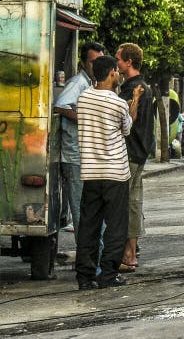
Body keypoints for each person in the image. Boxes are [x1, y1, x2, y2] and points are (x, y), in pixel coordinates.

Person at [75, 55, 142, 290]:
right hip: (115, 173)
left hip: (91, 173)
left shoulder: (82, 99)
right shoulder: (117, 102)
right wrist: (134, 101)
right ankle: (108, 274)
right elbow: (127, 128)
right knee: (116, 226)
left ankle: (85, 276)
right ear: (113, 72)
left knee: (89, 226)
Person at [54, 41, 105, 234]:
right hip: (74, 157)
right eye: (93, 62)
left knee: (90, 210)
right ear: (84, 63)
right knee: (80, 211)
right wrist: (86, 117)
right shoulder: (78, 83)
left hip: (86, 157)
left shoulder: (92, 85)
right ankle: (86, 259)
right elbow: (60, 106)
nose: (97, 66)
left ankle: (91, 256)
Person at [115, 43, 154, 273]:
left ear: (129, 62)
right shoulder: (141, 86)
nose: (116, 63)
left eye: (119, 59)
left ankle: (129, 254)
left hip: (131, 153)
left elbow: (129, 121)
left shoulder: (134, 89)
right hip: (139, 152)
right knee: (133, 201)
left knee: (128, 203)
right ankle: (131, 250)